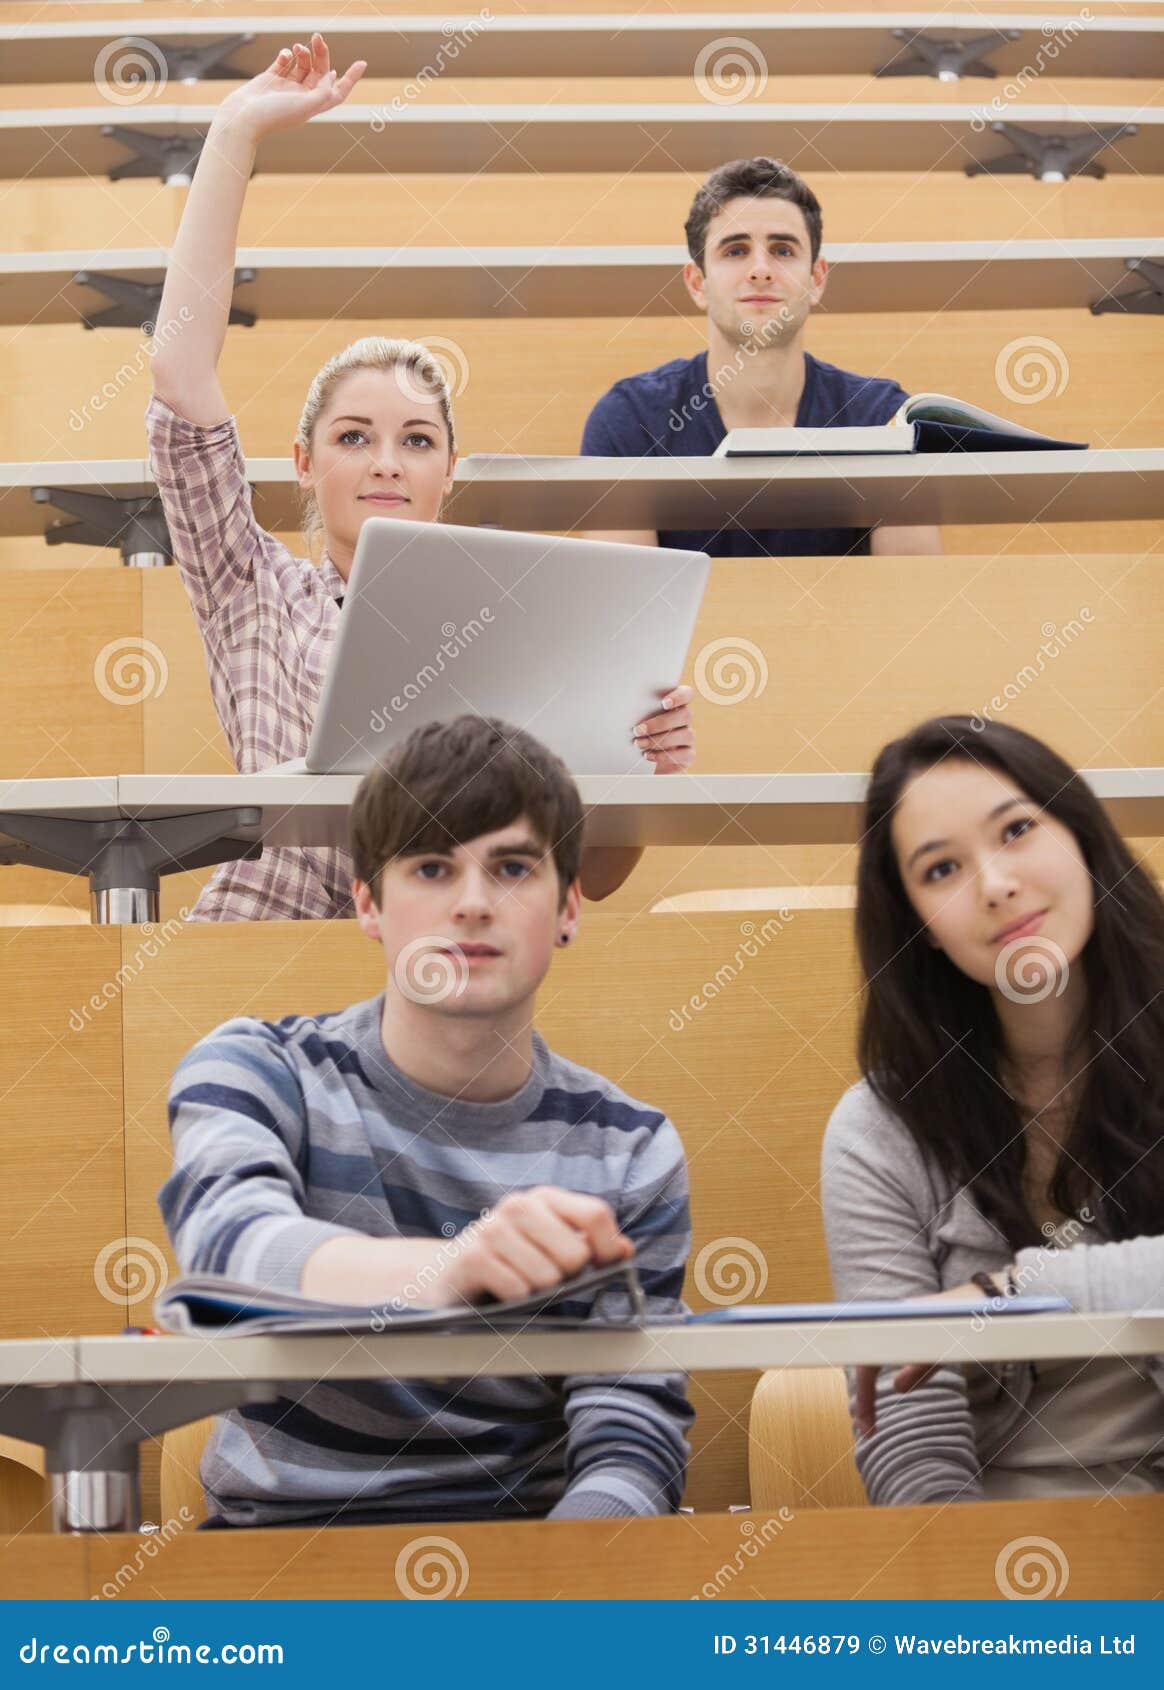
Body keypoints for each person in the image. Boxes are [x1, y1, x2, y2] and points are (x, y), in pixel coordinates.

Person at [148, 32, 695, 922]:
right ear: (305, 463)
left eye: (416, 441)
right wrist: (235, 132)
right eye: (355, 437)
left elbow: (592, 874)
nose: (387, 464)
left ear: (449, 471)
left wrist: (641, 768)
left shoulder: (516, 619)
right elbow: (179, 372)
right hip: (264, 946)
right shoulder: (251, 588)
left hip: (445, 957)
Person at [159, 713, 694, 1529]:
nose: (474, 905)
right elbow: (231, 1261)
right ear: (369, 905)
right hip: (279, 1573)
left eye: (512, 867)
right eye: (434, 868)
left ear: (569, 908)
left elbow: (631, 1431)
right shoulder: (255, 1070)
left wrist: (557, 1592)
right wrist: (447, 1273)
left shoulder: (631, 1148)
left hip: (533, 1579)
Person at [821, 714, 1164, 1504]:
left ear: (1080, 836)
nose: (995, 884)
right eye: (941, 870)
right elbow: (908, 1437)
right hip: (995, 1570)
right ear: (921, 929)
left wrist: (1007, 1294)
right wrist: (983, 1614)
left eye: (1016, 830)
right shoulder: (877, 1131)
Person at [581, 156, 942, 560]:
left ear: (816, 279)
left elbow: (913, 609)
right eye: (735, 250)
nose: (760, 270)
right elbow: (629, 612)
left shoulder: (885, 419)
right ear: (698, 283)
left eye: (783, 250)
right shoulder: (633, 420)